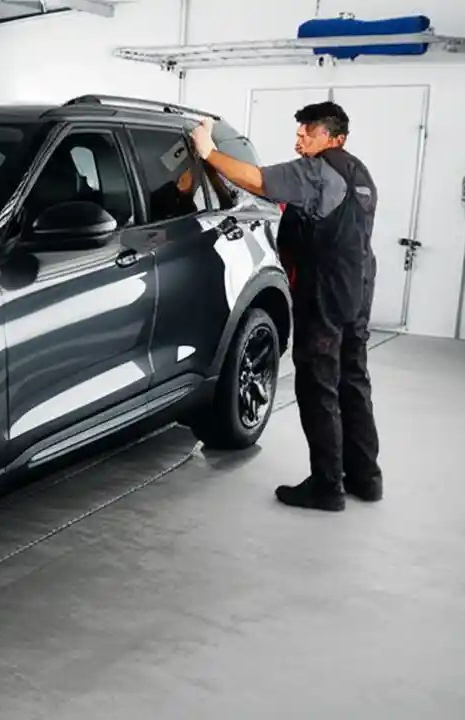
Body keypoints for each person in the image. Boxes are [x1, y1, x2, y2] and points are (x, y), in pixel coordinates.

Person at [190, 102, 382, 513]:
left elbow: (256, 179)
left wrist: (207, 152)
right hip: (357, 290)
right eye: (299, 131)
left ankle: (327, 487)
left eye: (309, 132)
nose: (300, 139)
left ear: (335, 138)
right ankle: (366, 478)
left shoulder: (315, 170)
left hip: (323, 292)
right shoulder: (359, 172)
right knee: (353, 381)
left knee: (318, 386)